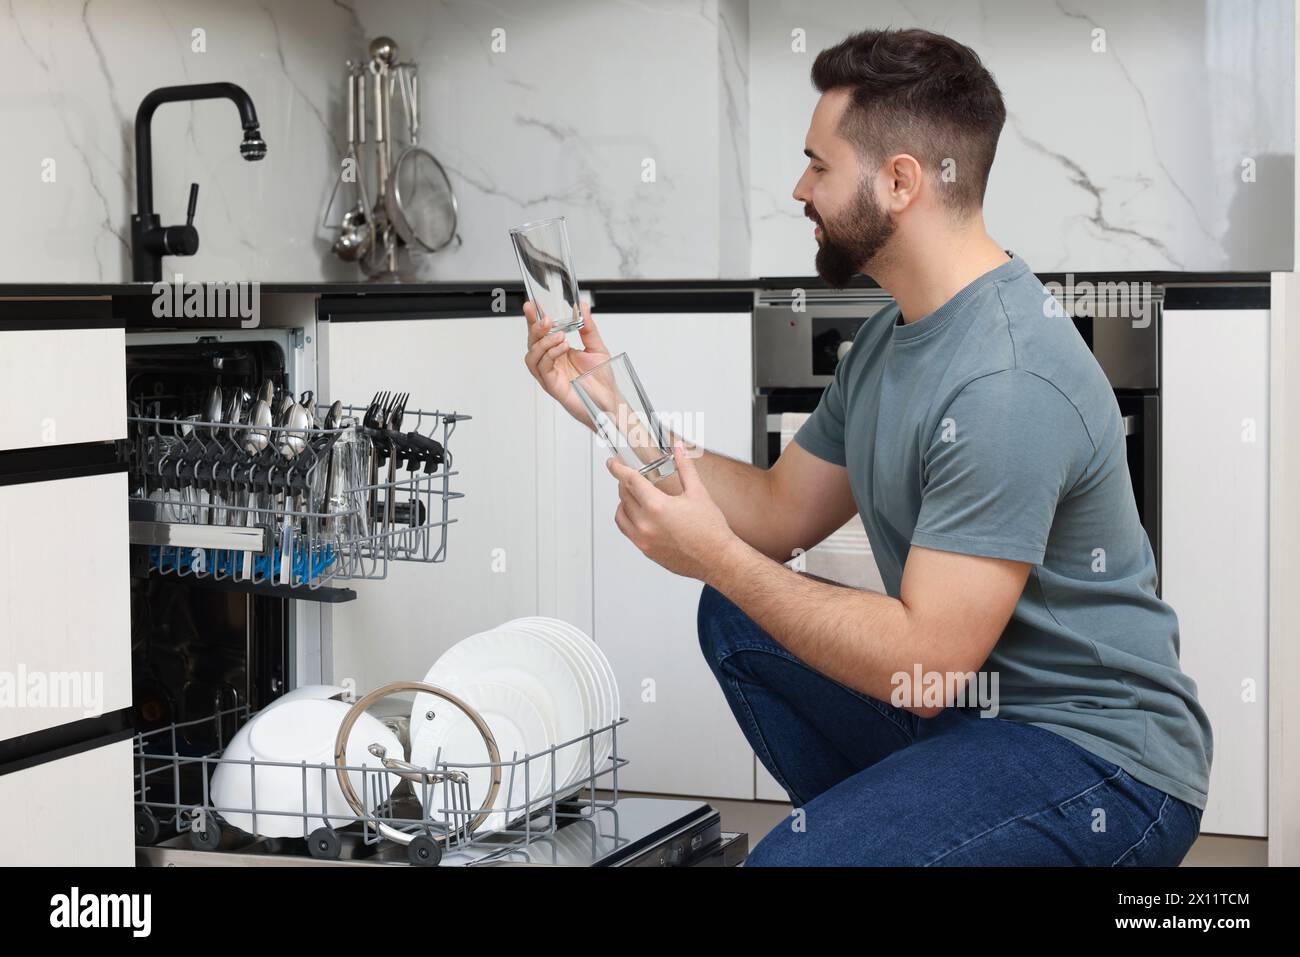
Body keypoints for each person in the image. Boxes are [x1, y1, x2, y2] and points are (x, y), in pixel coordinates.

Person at [522, 27, 1211, 866]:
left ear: (899, 181)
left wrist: (714, 554)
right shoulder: (891, 337)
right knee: (737, 618)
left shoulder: (1007, 376)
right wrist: (609, 406)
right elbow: (778, 514)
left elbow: (928, 656)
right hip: (971, 719)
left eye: (819, 164)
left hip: (1099, 759)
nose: (799, 187)